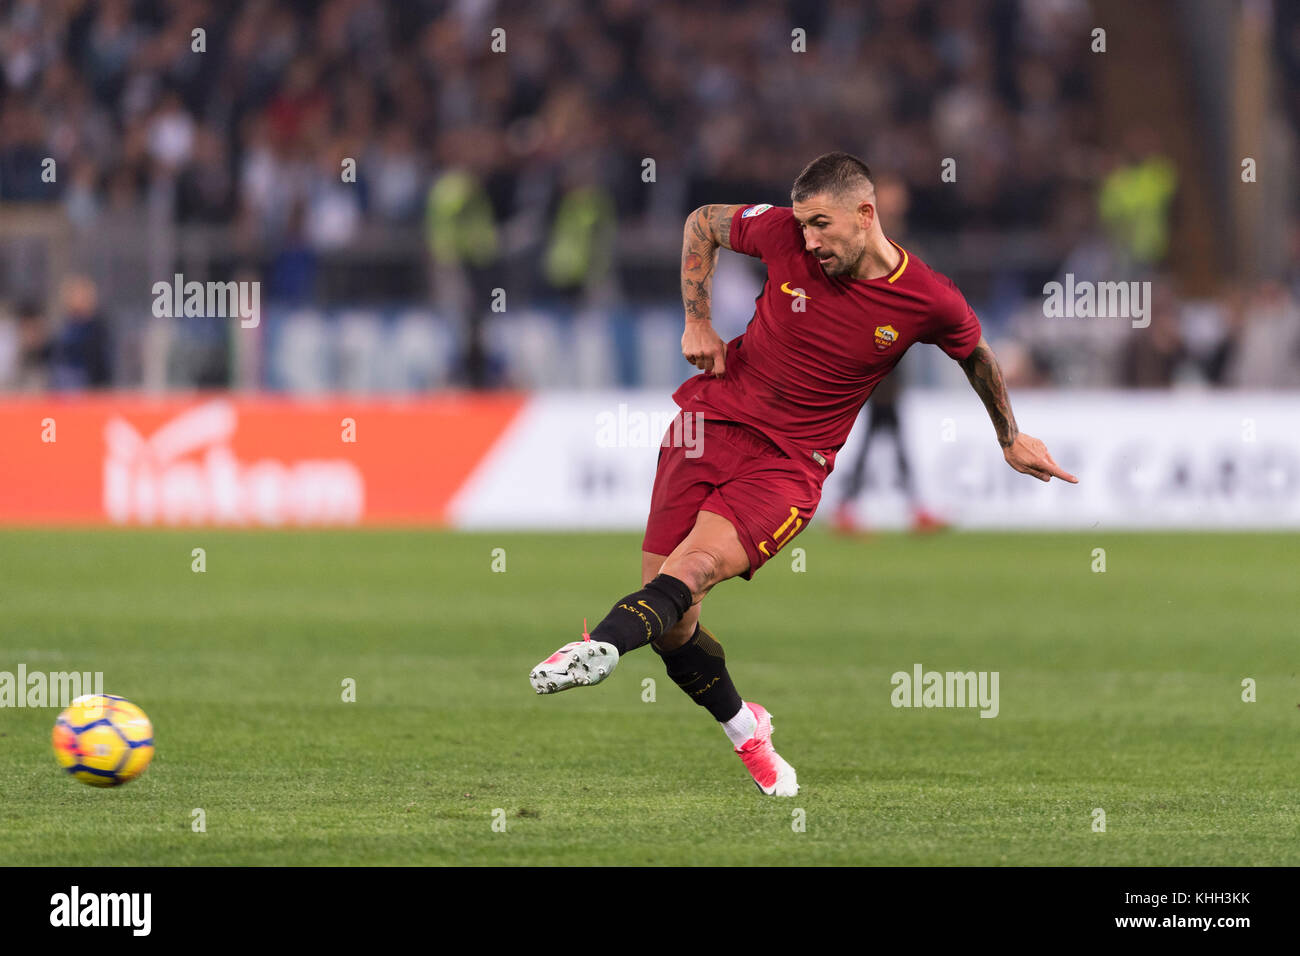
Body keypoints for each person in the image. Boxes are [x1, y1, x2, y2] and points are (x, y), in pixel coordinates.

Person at [528, 152, 1076, 796]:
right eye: (803, 225)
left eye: (821, 225)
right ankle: (745, 730)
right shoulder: (784, 235)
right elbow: (702, 221)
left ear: (865, 216)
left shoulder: (927, 296)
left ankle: (600, 650)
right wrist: (697, 319)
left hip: (789, 466)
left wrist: (1009, 437)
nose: (809, 239)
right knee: (672, 620)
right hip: (706, 426)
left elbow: (975, 353)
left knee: (693, 570)